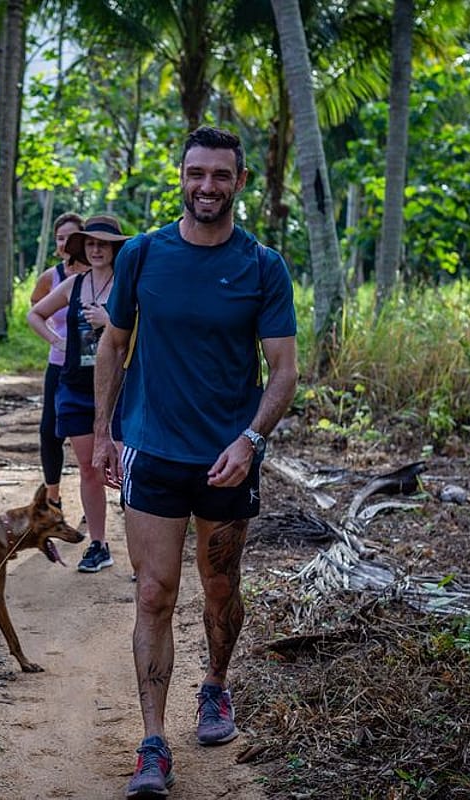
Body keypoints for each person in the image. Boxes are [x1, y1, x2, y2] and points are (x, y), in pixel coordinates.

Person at [92, 127, 298, 798]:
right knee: (153, 594)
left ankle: (215, 685)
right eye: (196, 173)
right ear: (180, 177)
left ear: (239, 182)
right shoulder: (144, 255)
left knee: (219, 591)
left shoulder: (263, 266)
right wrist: (102, 434)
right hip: (152, 450)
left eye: (220, 175)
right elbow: (113, 345)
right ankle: (152, 742)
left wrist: (251, 440)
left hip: (226, 461)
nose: (207, 185)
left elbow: (284, 371)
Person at [27, 214, 131, 573]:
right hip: (74, 386)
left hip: (119, 388)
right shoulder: (74, 285)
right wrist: (59, 340)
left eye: (104, 243)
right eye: (90, 243)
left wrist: (110, 322)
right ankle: (99, 545)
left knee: (125, 472)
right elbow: (35, 314)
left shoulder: (128, 285)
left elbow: (149, 331)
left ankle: (140, 554)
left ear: (116, 248)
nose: (97, 249)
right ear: (82, 248)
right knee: (89, 469)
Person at [29, 212, 84, 514]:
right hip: (59, 364)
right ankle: (53, 496)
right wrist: (55, 337)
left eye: (72, 237)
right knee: (50, 430)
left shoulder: (99, 274)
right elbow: (36, 308)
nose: (66, 243)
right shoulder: (52, 278)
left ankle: (95, 496)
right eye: (61, 238)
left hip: (94, 368)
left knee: (89, 434)